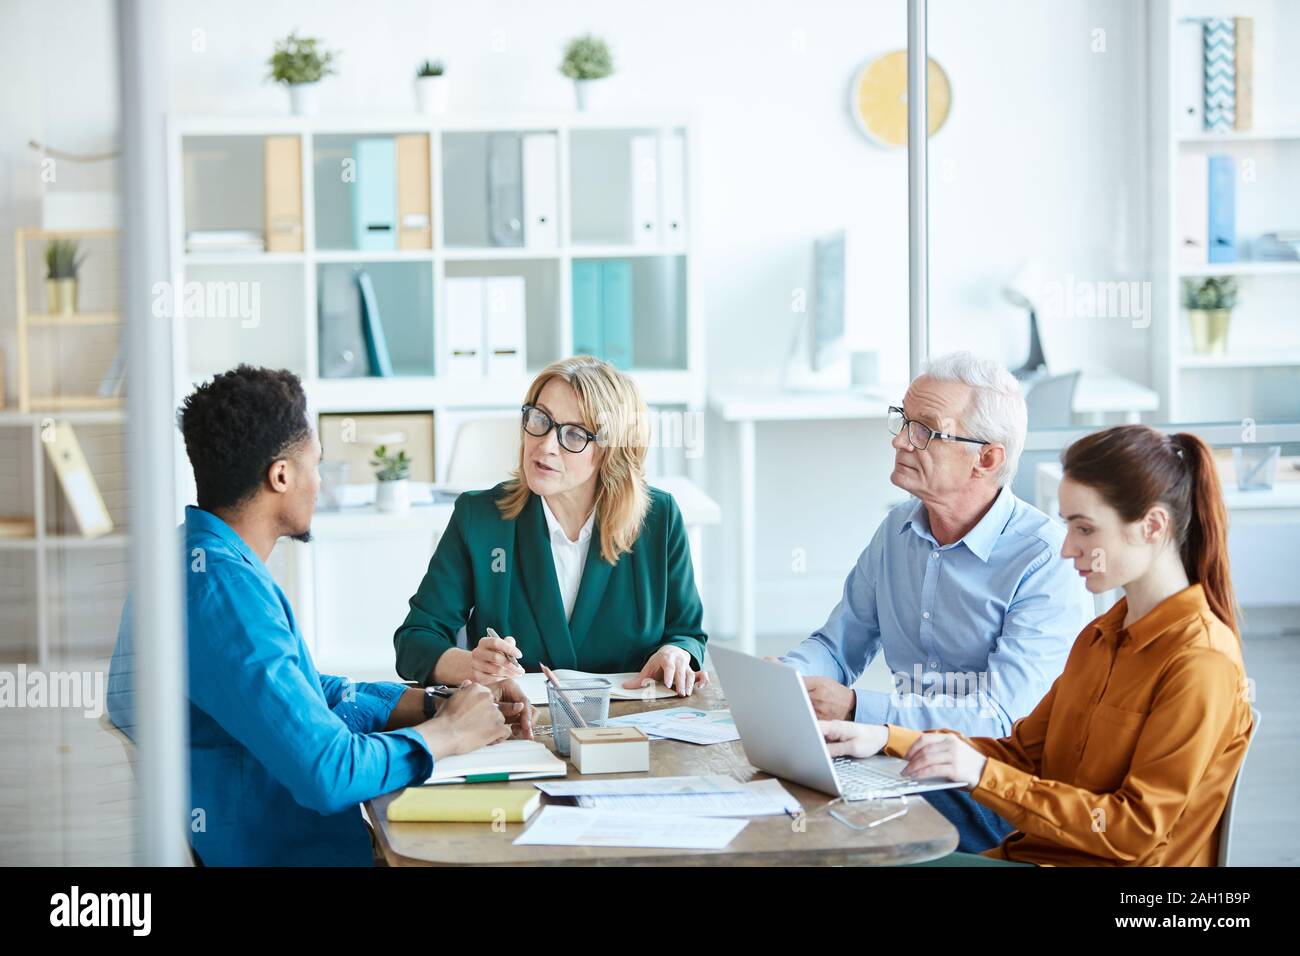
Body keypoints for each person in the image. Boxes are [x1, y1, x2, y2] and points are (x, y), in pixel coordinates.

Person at [107, 365, 533, 866]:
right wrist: (450, 734)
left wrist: (436, 704)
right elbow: (328, 772)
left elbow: (301, 691)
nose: (320, 481)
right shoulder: (221, 593)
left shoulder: (197, 559)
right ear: (281, 475)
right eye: (317, 464)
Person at [821, 425, 1253, 866]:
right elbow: (1024, 754)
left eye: (1085, 529)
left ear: (1152, 527)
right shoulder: (1101, 635)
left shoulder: (1200, 662)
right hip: (1027, 856)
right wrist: (885, 737)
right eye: (1068, 526)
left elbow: (1134, 831)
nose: (1068, 549)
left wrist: (982, 774)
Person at [779, 351, 1094, 852]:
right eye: (903, 421)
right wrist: (784, 679)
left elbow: (1000, 719)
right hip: (904, 758)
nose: (901, 440)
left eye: (926, 430)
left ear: (986, 459)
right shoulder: (898, 531)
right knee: (782, 791)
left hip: (996, 788)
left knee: (821, 821)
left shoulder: (1045, 561)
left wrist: (862, 709)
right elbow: (838, 645)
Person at [395, 355, 708, 696]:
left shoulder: (659, 518)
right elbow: (415, 641)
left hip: (633, 726)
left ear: (610, 451)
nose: (545, 445)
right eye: (539, 419)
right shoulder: (479, 516)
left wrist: (675, 652)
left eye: (573, 435)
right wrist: (470, 664)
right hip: (516, 725)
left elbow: (687, 633)